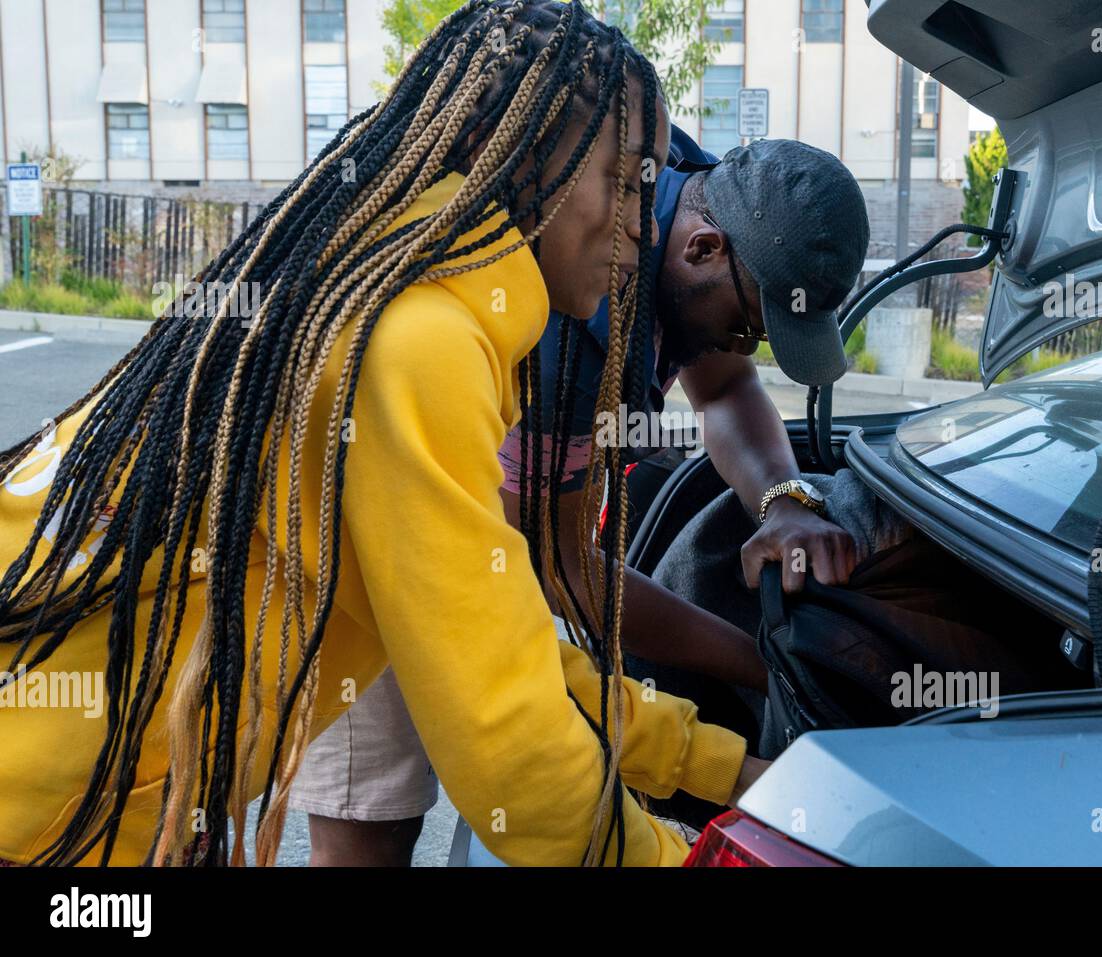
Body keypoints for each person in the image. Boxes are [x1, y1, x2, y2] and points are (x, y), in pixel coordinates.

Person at [0, 0, 768, 868]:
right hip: (46, 827)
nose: (639, 223)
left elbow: (511, 652)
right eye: (624, 183)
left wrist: (729, 770)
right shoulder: (420, 343)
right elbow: (513, 753)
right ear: (512, 157)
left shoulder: (403, 294)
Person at [290, 124, 872, 862]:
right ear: (701, 249)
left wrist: (784, 500)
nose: (741, 346)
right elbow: (558, 573)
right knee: (375, 821)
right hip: (358, 535)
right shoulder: (572, 330)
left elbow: (727, 393)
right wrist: (762, 661)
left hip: (482, 528)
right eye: (743, 324)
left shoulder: (689, 177)